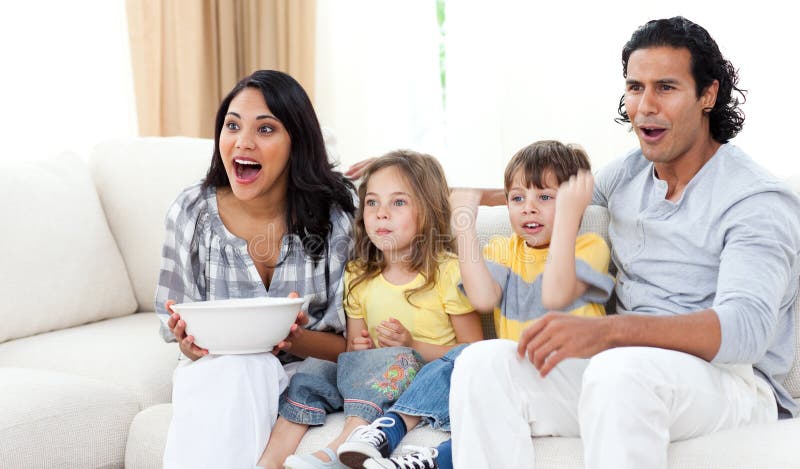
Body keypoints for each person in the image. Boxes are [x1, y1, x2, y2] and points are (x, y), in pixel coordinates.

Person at [449, 16, 800, 469]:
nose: (645, 105)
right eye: (636, 87)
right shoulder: (630, 173)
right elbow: (549, 194)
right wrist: (433, 187)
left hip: (729, 383)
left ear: (707, 95)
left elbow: (746, 330)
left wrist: (610, 331)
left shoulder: (755, 200)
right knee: (484, 363)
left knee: (620, 370)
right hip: (629, 371)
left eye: (666, 87)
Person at [336, 141, 614, 469]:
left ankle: (424, 454)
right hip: (514, 378)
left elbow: (555, 293)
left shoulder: (589, 246)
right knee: (471, 366)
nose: (529, 208)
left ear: (574, 204)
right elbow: (482, 297)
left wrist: (570, 216)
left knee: (474, 358)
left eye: (546, 198)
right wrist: (465, 226)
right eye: (517, 198)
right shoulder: (503, 249)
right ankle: (400, 438)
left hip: (572, 380)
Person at [155, 70, 356, 469]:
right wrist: (187, 343)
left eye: (265, 129)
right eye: (232, 125)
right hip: (219, 368)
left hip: (308, 372)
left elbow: (350, 347)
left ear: (296, 143)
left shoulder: (337, 215)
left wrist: (290, 340)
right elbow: (175, 326)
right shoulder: (191, 212)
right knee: (243, 367)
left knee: (251, 366)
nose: (243, 142)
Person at [264, 150, 483, 469]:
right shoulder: (357, 275)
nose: (381, 214)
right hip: (369, 373)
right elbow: (354, 350)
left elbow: (473, 352)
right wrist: (360, 346)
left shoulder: (449, 272)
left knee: (397, 359)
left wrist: (412, 346)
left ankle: (341, 449)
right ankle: (269, 462)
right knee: (313, 368)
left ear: (430, 209)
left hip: (418, 377)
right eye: (372, 202)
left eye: (398, 202)